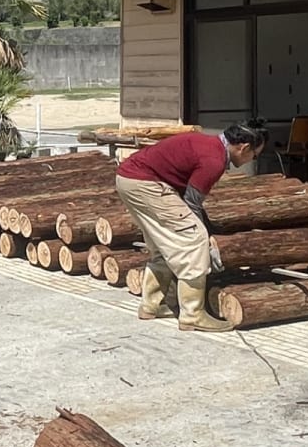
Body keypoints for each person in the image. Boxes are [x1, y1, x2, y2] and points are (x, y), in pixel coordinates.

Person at [114, 120, 268, 333]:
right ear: (244, 147)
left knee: (164, 244)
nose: (253, 159)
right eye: (255, 155)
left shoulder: (208, 145)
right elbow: (192, 202)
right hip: (145, 183)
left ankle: (152, 305)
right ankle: (192, 314)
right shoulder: (213, 160)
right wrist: (205, 234)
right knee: (193, 241)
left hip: (128, 179)